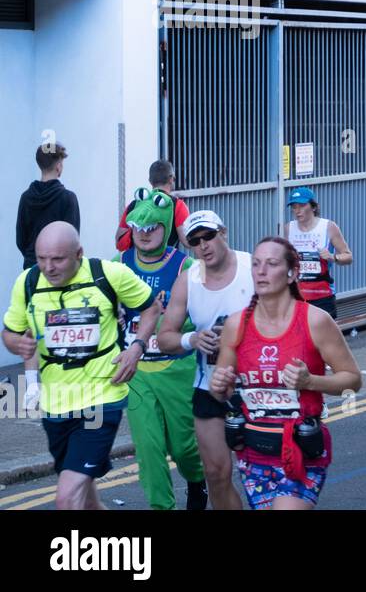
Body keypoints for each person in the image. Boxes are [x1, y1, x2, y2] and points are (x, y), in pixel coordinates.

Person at [3, 222, 159, 510]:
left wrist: (136, 348)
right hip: (56, 402)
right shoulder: (27, 283)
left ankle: (74, 555)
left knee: (67, 497)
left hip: (102, 398)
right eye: (41, 258)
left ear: (79, 254)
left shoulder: (108, 275)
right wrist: (16, 344)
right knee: (85, 497)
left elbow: (151, 307)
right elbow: (11, 331)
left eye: (58, 259)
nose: (48, 267)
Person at [207, 237, 363, 510]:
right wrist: (219, 385)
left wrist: (311, 381)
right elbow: (223, 390)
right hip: (255, 451)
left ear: (292, 273)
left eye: (271, 263)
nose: (261, 271)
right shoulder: (236, 324)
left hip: (302, 451)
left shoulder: (314, 320)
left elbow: (352, 380)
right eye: (256, 264)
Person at [155, 210, 254, 511]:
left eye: (208, 236)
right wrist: (193, 340)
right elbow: (165, 337)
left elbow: (289, 316)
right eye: (195, 241)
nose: (203, 246)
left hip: (255, 387)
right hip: (209, 386)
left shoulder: (253, 268)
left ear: (223, 233)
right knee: (215, 473)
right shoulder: (188, 281)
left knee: (261, 472)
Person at [117, 190, 207, 511]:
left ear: (166, 226)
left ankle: (197, 480)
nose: (143, 234)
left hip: (178, 369)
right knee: (149, 451)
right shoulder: (120, 264)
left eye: (152, 227)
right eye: (138, 228)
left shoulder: (187, 267)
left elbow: (206, 313)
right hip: (138, 373)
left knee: (184, 448)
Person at [281, 187, 353, 319]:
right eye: (294, 207)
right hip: (296, 296)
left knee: (323, 338)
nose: (297, 211)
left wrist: (332, 257)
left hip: (322, 295)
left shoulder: (328, 227)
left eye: (302, 206)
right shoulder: (288, 228)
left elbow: (348, 256)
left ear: (313, 207)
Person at [15, 142, 80, 269]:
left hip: (31, 270)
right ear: (59, 166)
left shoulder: (26, 197)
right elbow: (73, 240)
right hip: (59, 272)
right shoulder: (68, 198)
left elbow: (21, 240)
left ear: (40, 164)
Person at [114, 160, 191, 252]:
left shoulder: (135, 204)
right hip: (165, 263)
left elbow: (119, 241)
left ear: (150, 181)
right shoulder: (177, 205)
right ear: (171, 179)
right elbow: (187, 241)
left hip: (136, 263)